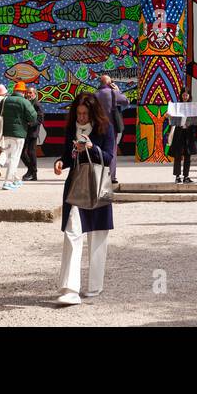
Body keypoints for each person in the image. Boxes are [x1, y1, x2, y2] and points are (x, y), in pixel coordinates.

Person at [54, 91, 116, 305]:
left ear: (93, 113)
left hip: (97, 186)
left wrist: (92, 147)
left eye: (84, 114)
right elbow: (66, 155)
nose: (81, 117)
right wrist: (61, 162)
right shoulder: (71, 128)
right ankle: (70, 288)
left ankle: (95, 286)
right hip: (76, 186)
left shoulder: (105, 128)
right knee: (72, 232)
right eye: (78, 113)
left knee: (98, 235)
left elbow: (109, 158)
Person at [0, 81, 39, 190]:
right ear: (23, 91)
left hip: (6, 132)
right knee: (14, 158)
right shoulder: (24, 102)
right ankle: (7, 182)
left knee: (8, 154)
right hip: (19, 134)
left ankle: (14, 178)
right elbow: (33, 117)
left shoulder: (5, 100)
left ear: (14, 90)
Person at [95, 74, 126, 183]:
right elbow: (126, 101)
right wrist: (118, 90)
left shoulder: (95, 95)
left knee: (99, 151)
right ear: (110, 83)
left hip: (98, 127)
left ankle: (99, 176)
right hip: (112, 127)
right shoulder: (113, 93)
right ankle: (111, 177)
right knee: (112, 151)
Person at [168, 97, 197, 184]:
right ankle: (177, 176)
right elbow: (173, 120)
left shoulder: (192, 107)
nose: (185, 97)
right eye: (184, 94)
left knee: (188, 155)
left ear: (189, 96)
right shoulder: (177, 106)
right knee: (178, 155)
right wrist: (169, 115)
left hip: (189, 133)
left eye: (187, 95)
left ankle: (186, 176)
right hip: (179, 131)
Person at [20, 85, 43, 182]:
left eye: (30, 93)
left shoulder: (37, 104)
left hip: (33, 132)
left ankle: (33, 174)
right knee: (22, 153)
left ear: (34, 94)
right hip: (25, 131)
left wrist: (31, 124)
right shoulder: (25, 103)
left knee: (31, 152)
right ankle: (31, 170)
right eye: (27, 93)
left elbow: (40, 119)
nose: (28, 94)